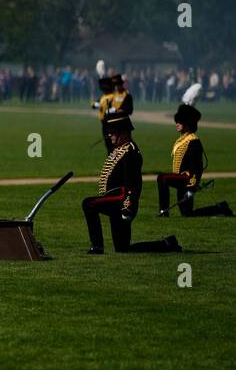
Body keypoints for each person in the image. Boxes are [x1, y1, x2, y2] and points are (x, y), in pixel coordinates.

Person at [83, 114, 181, 254]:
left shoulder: (131, 152)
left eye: (113, 132)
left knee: (89, 204)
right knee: (123, 249)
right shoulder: (120, 150)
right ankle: (166, 244)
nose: (109, 135)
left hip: (121, 200)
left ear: (124, 132)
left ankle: (97, 247)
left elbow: (133, 184)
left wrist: (127, 207)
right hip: (115, 199)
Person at [157, 103, 231, 217]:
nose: (177, 124)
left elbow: (197, 167)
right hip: (180, 178)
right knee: (188, 214)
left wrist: (191, 187)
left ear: (187, 124)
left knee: (162, 178)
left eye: (179, 122)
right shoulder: (182, 139)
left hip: (187, 178)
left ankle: (163, 212)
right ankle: (220, 208)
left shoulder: (193, 141)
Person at [92, 76, 115, 152]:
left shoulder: (112, 97)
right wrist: (96, 104)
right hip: (104, 124)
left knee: (111, 144)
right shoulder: (103, 97)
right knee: (108, 144)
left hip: (110, 124)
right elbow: (93, 105)